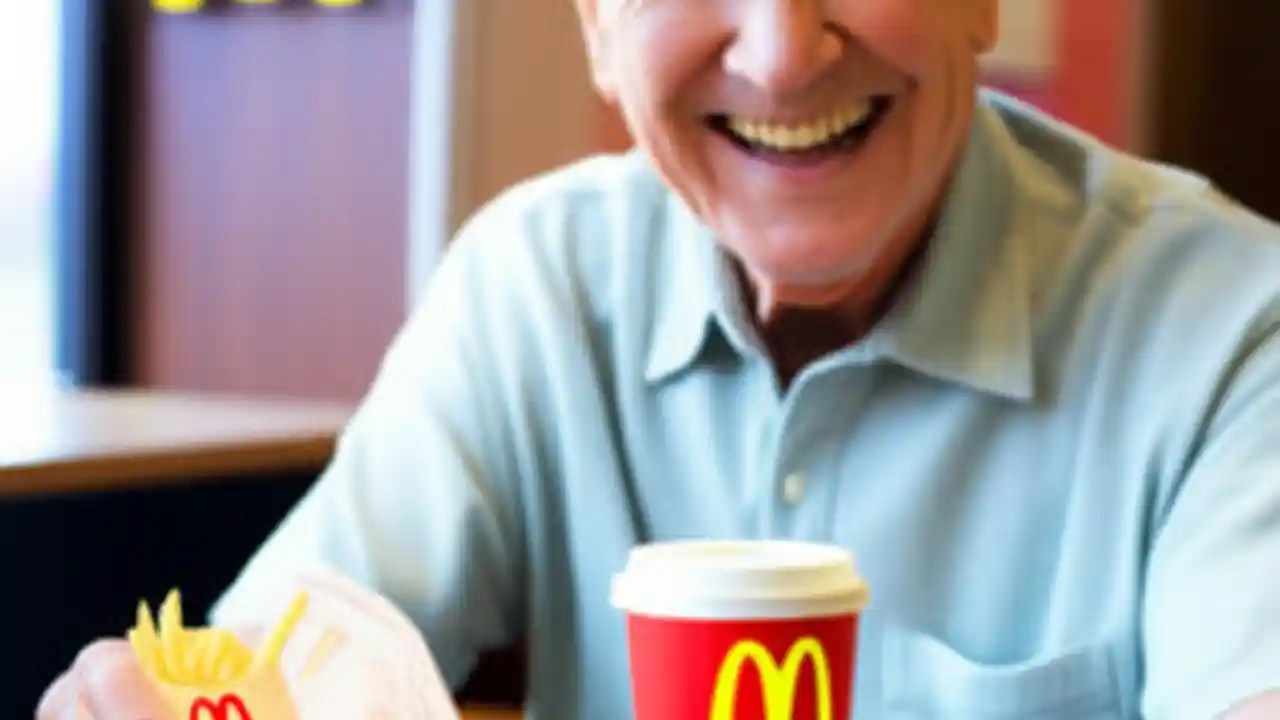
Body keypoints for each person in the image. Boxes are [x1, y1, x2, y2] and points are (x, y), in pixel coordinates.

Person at [37, 0, 1280, 717]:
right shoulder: (536, 286)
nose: (783, 50)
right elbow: (284, 667)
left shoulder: (1232, 331)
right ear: (594, 25)